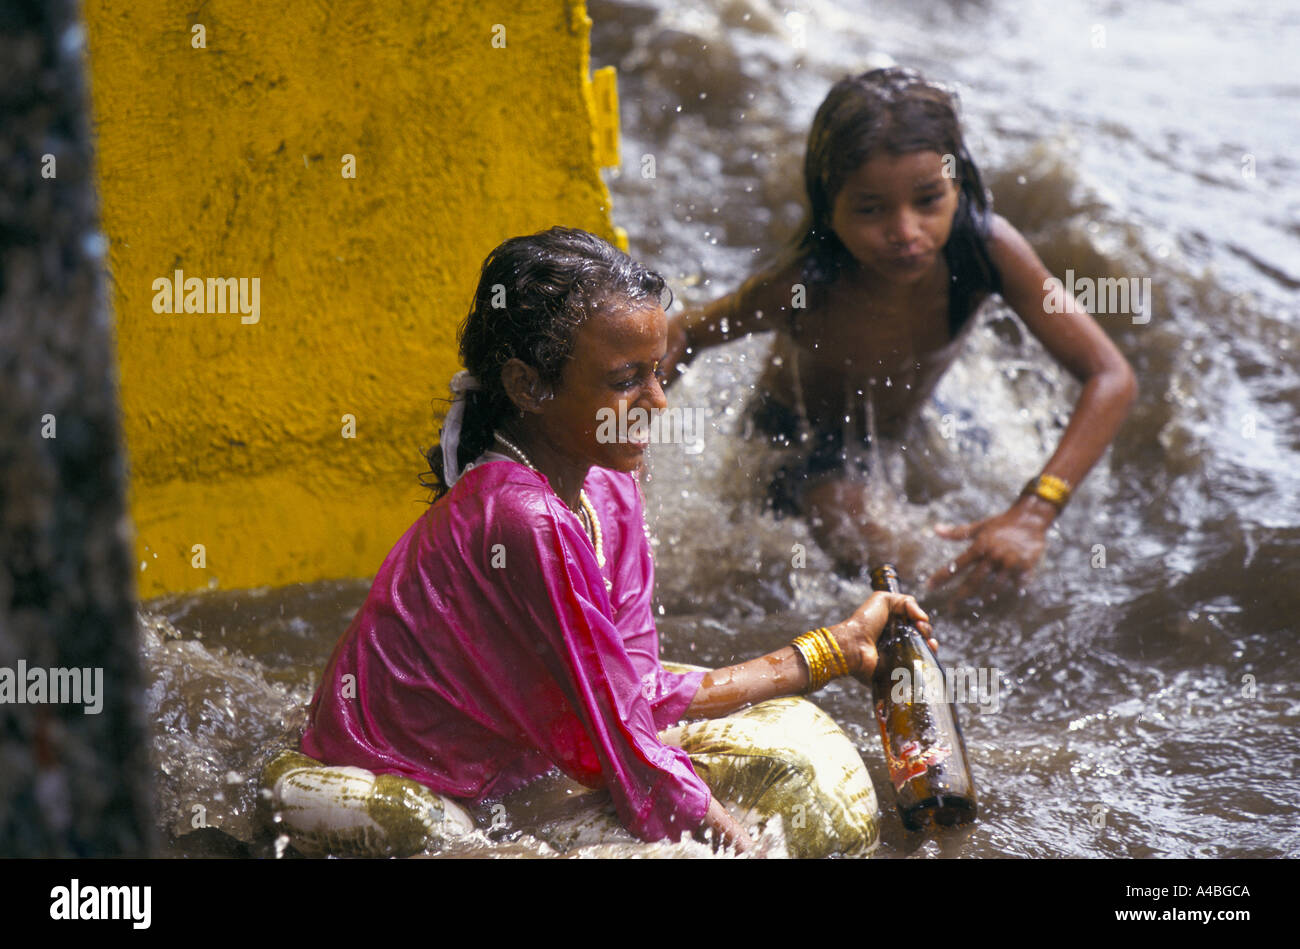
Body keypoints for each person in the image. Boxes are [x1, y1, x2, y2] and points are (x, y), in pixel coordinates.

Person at [301, 227, 935, 854]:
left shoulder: (610, 487)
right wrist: (735, 843)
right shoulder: (521, 519)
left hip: (516, 754)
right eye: (626, 379)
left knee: (806, 763)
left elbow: (635, 688)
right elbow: (629, 743)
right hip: (391, 782)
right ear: (528, 386)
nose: (657, 403)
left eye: (658, 372)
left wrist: (836, 648)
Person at [661, 67, 1138, 599]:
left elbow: (1110, 375)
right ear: (829, 208)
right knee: (932, 581)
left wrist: (1034, 510)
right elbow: (686, 331)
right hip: (800, 445)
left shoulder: (985, 251)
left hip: (907, 428)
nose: (906, 232)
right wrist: (617, 441)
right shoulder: (804, 286)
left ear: (958, 184)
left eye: (929, 200)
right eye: (871, 209)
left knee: (1007, 563)